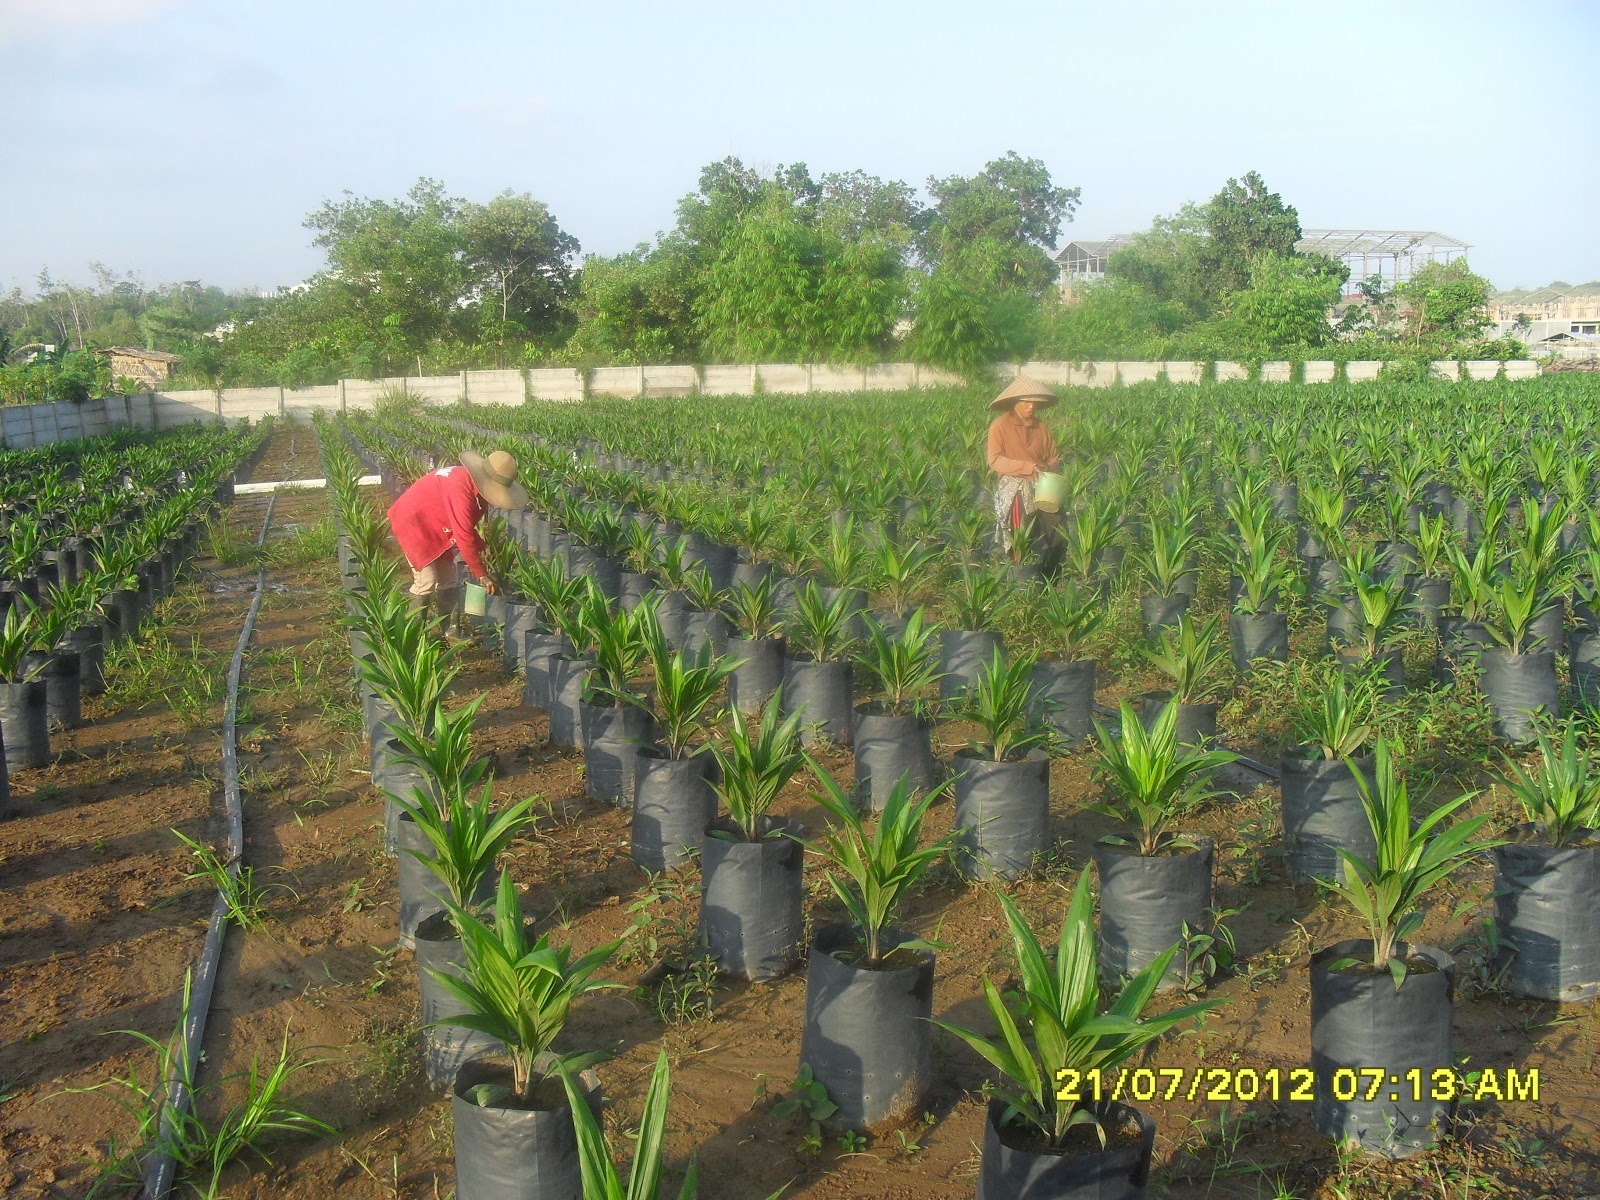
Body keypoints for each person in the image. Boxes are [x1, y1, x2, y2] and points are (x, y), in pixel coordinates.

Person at [386, 449, 529, 621]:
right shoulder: (460, 488)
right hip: (414, 523)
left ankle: (450, 628)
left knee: (448, 578)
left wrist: (480, 545)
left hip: (435, 525)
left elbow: (465, 526)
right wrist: (481, 574)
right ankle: (411, 636)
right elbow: (462, 534)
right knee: (426, 581)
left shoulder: (471, 485)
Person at [985, 375, 1065, 573]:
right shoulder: (1000, 426)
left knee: (1059, 528)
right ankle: (1018, 575)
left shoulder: (1041, 427)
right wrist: (1027, 467)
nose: (1031, 406)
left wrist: (1049, 469)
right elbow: (995, 460)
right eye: (1026, 402)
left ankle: (1051, 575)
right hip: (1014, 483)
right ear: (1015, 403)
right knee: (1021, 530)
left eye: (1034, 403)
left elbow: (1053, 457)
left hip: (1043, 484)